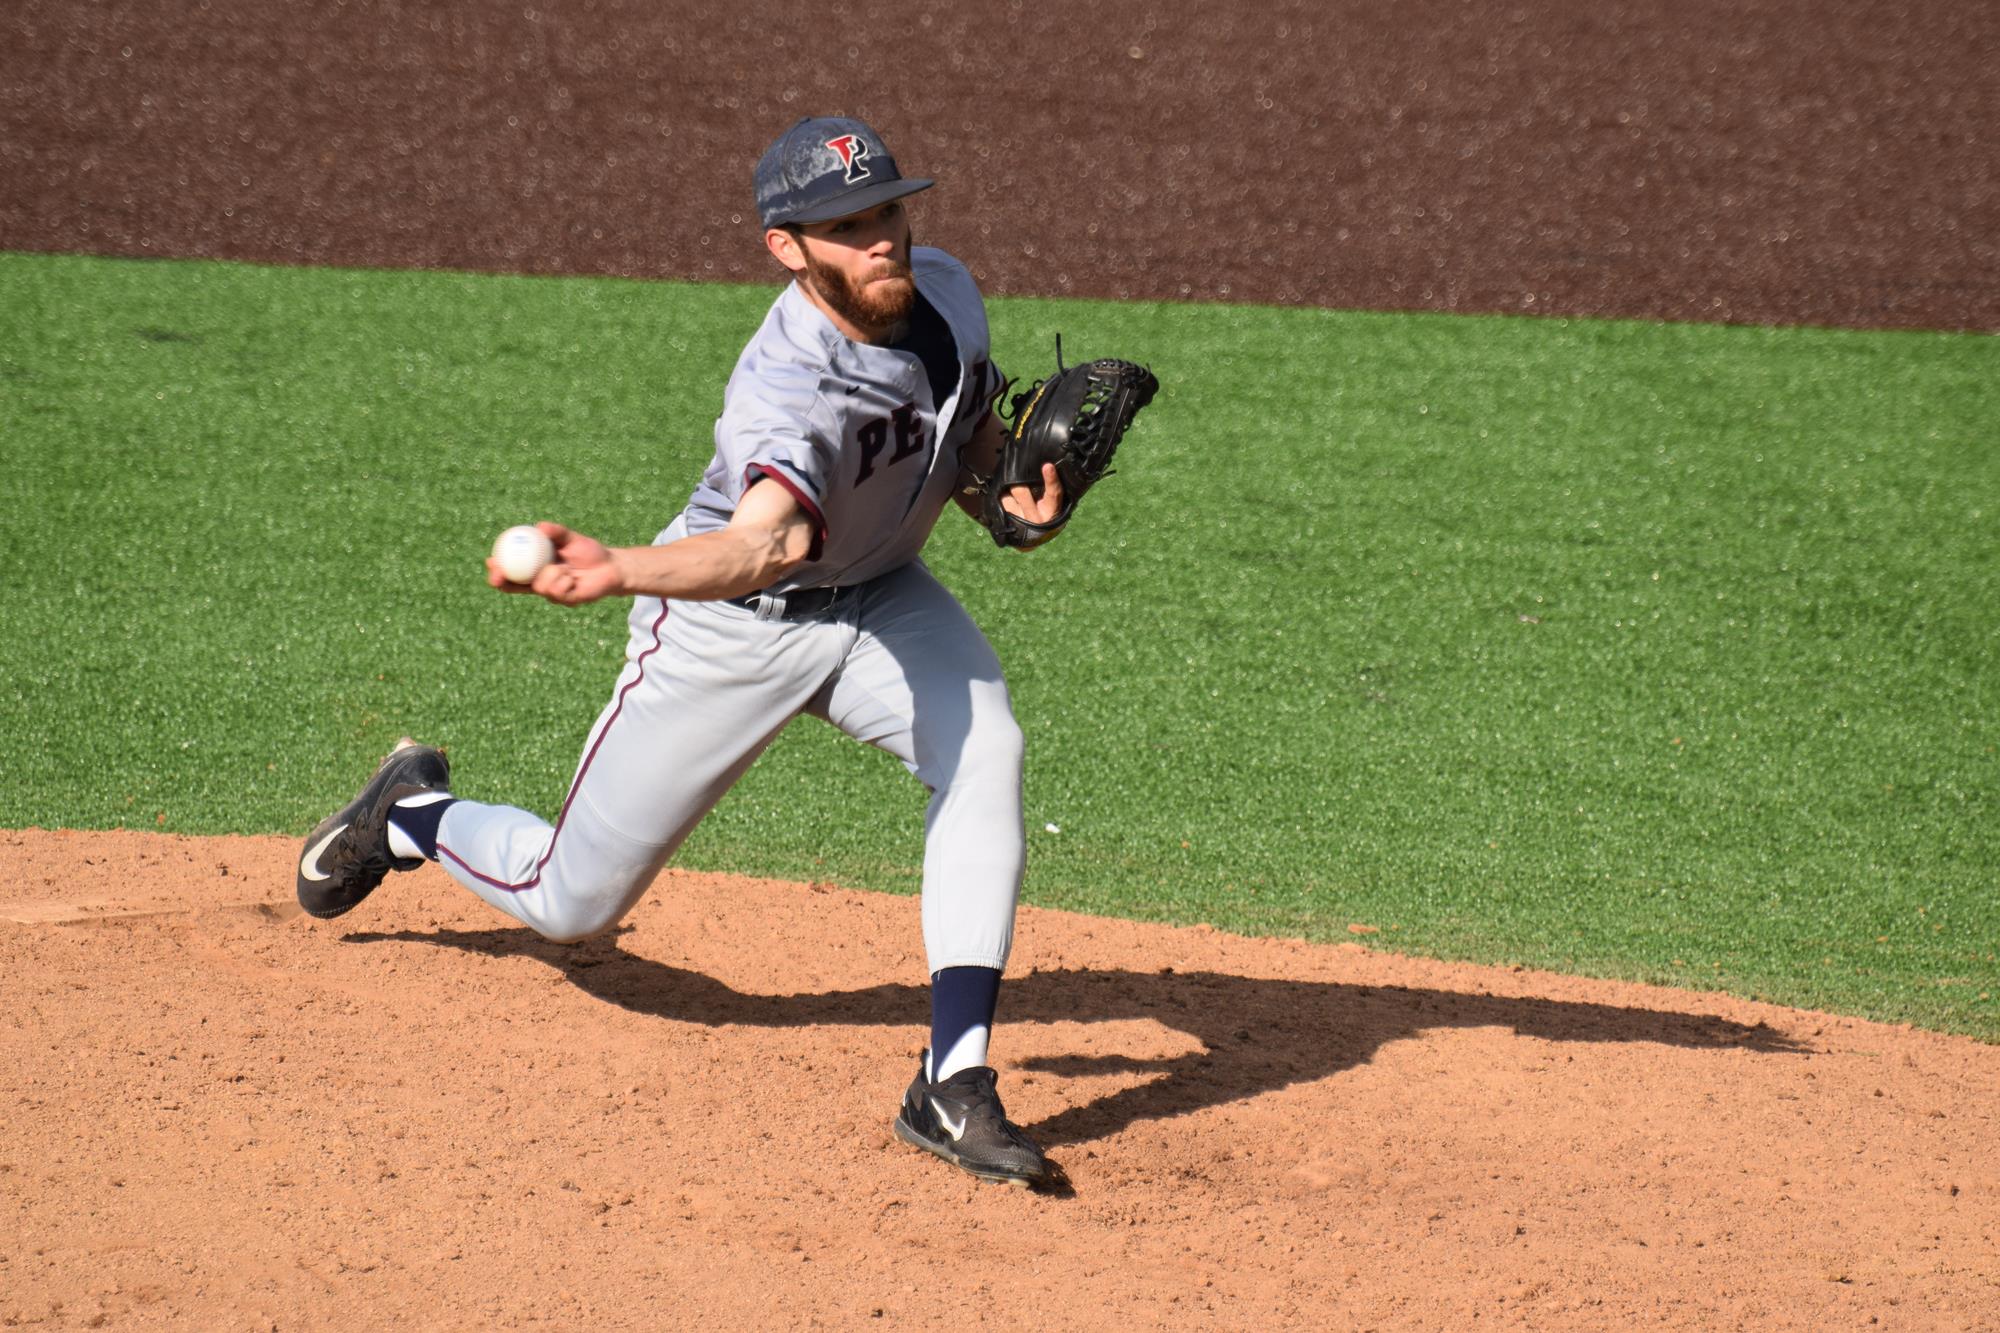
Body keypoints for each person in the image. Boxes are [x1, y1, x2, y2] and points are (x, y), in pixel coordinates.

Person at [296, 116, 1067, 1190]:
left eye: (886, 210)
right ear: (785, 247)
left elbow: (965, 429)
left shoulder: (943, 287)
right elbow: (771, 541)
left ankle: (951, 1081)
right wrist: (614, 567)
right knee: (572, 903)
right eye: (844, 227)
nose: (880, 240)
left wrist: (1010, 495)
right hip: (729, 628)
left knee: (987, 747)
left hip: (883, 599)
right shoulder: (788, 386)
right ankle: (406, 813)